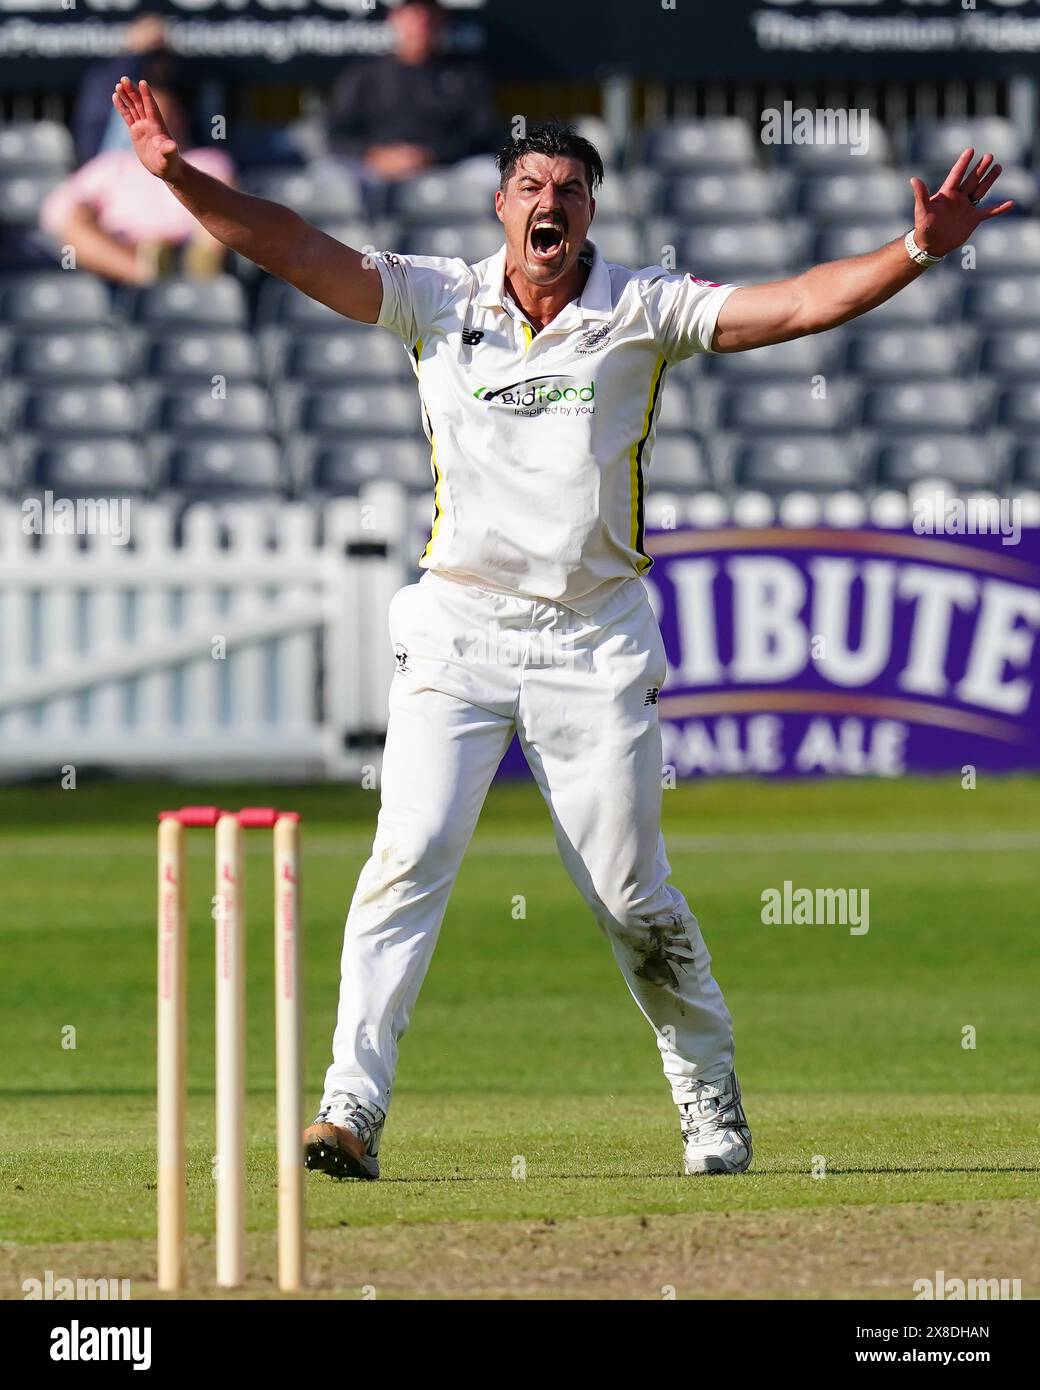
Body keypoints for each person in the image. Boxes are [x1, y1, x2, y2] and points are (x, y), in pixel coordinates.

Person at [113, 76, 1012, 1178]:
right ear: (500, 207)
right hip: (456, 627)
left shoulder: (641, 307)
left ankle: (706, 1094)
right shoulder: (436, 297)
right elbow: (297, 249)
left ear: (591, 212)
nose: (551, 202)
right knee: (406, 857)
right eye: (531, 184)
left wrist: (913, 250)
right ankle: (349, 1106)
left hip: (595, 640)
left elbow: (797, 303)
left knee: (631, 893)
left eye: (572, 189)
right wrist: (175, 175)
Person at [44, 64, 233, 285]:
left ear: (180, 117)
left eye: (161, 116)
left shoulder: (209, 160)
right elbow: (57, 210)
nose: (155, 125)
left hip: (185, 249)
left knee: (222, 214)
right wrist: (84, 210)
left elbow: (227, 208)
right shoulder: (111, 165)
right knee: (75, 220)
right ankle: (149, 275)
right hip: (123, 251)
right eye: (145, 115)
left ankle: (197, 280)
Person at [328, 0, 494, 183]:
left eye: (427, 16)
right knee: (331, 174)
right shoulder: (364, 74)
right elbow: (337, 135)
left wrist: (431, 155)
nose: (420, 24)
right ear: (394, 19)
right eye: (411, 16)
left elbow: (480, 134)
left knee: (489, 174)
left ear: (441, 21)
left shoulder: (465, 74)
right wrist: (375, 155)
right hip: (375, 167)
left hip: (447, 167)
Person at [72, 14, 169, 163]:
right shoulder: (104, 79)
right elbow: (90, 132)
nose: (153, 61)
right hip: (112, 166)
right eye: (148, 55)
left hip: (168, 168)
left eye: (159, 54)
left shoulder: (178, 83)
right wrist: (135, 55)